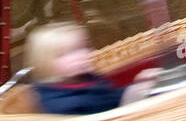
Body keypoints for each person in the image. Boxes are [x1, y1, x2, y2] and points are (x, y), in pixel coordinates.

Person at [26, 22, 159, 115]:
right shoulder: (59, 103)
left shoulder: (84, 78)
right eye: (65, 54)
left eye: (82, 48)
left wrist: (136, 85)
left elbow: (111, 96)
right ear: (45, 63)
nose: (80, 56)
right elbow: (99, 119)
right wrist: (133, 93)